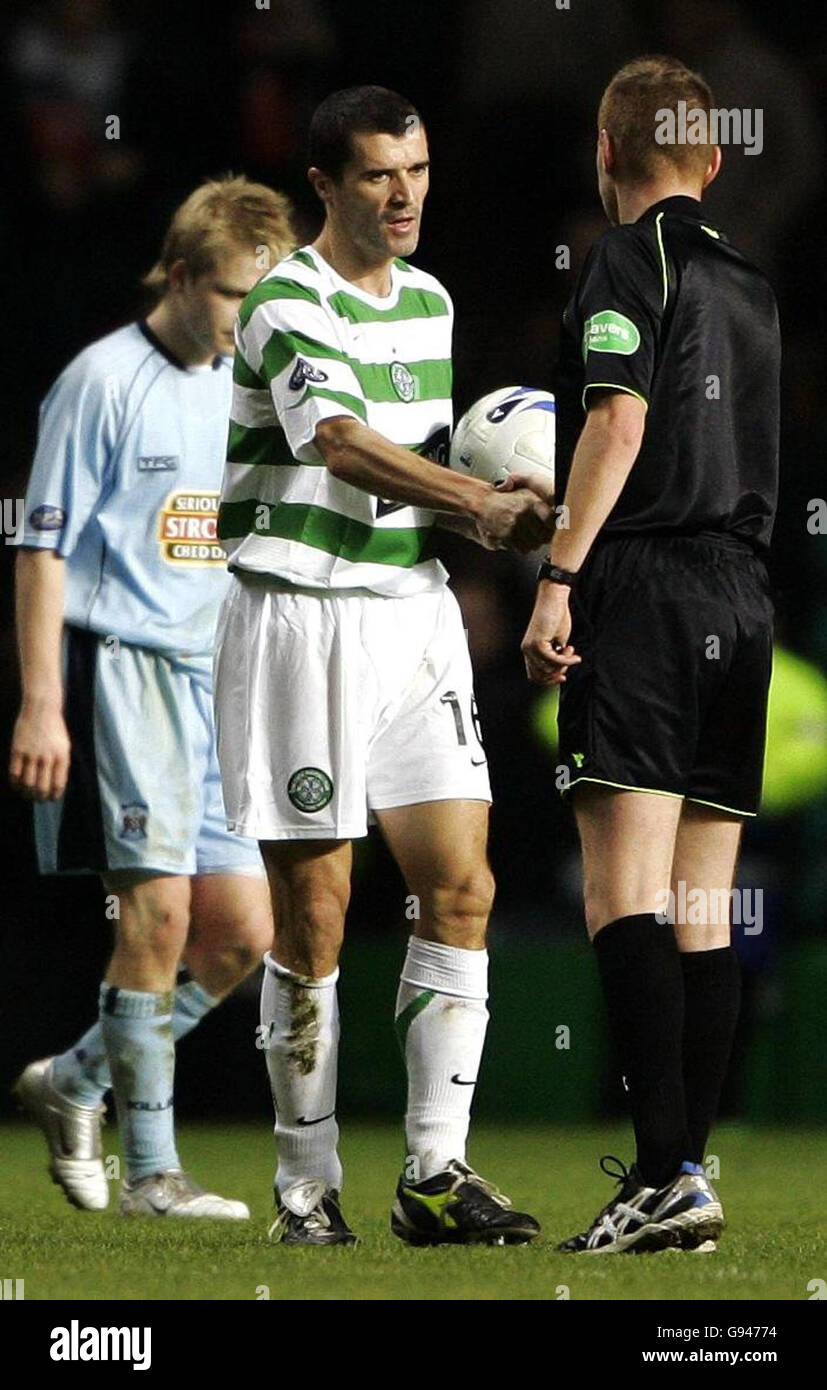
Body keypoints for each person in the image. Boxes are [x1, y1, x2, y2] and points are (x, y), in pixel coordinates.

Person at [214, 85, 548, 1245]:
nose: (402, 193)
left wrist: (515, 523)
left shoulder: (433, 301)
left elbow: (416, 467)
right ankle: (304, 1185)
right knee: (316, 913)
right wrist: (480, 501)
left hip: (410, 615)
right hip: (299, 619)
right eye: (374, 175)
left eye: (413, 169)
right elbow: (344, 445)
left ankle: (433, 1176)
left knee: (461, 886)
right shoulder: (283, 302)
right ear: (324, 184)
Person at [520, 57, 779, 1253]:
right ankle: (689, 1173)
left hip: (647, 589)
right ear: (713, 158)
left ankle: (666, 1170)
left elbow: (615, 418)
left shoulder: (625, 256)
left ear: (604, 153)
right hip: (744, 593)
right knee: (701, 903)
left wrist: (560, 570)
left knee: (625, 892)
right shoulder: (751, 280)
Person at [10, 176, 295, 1219]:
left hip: (215, 676)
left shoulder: (245, 383)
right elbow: (40, 548)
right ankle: (152, 1174)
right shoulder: (100, 381)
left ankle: (75, 1078)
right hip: (119, 665)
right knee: (160, 912)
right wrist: (42, 701)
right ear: (179, 276)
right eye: (230, 298)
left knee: (239, 935)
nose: (244, 324)